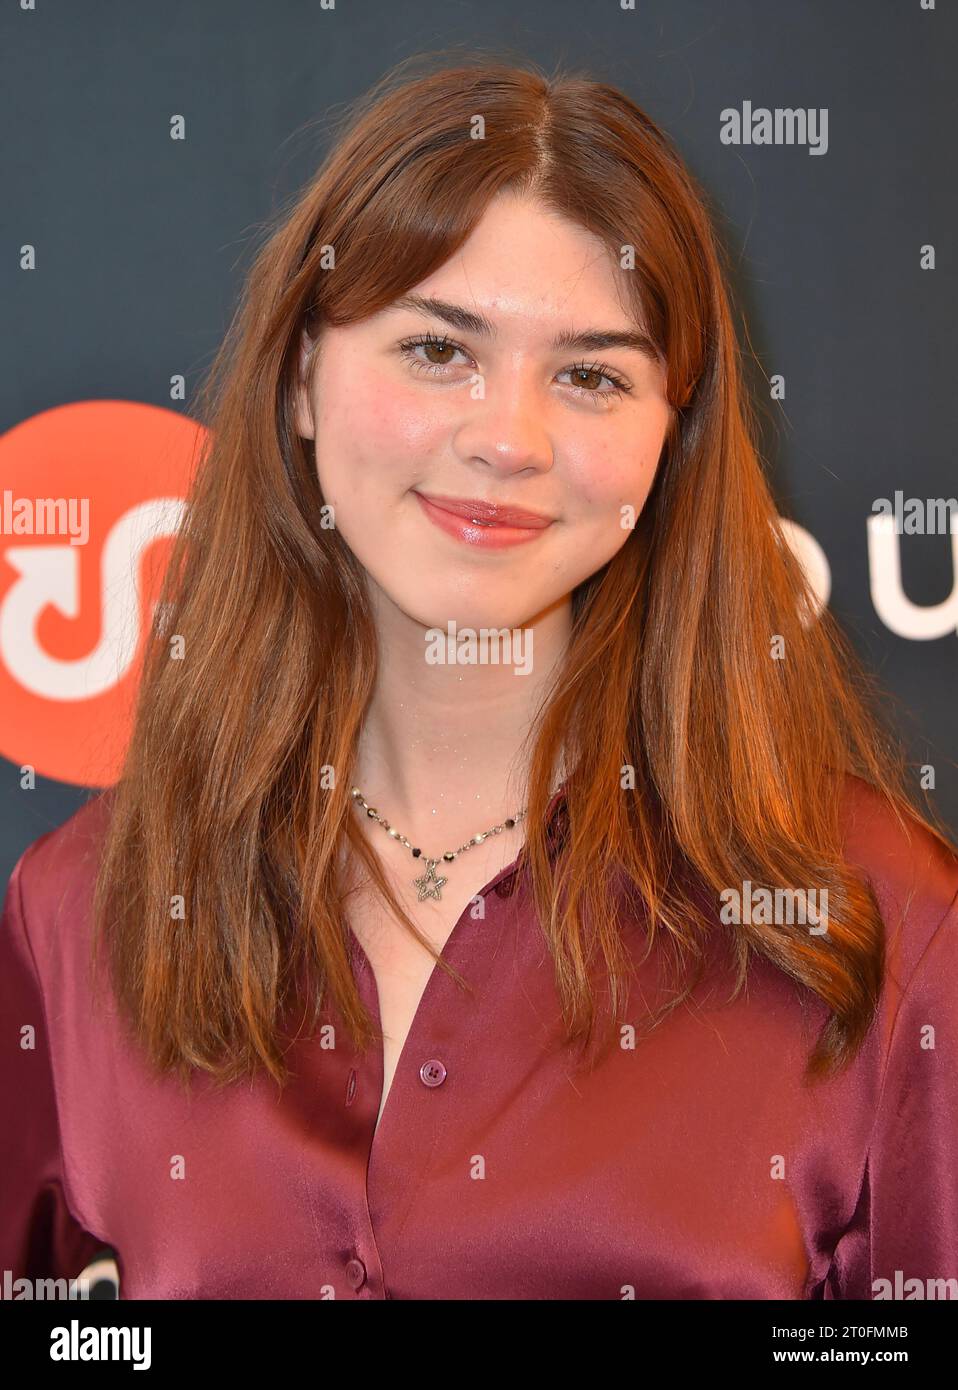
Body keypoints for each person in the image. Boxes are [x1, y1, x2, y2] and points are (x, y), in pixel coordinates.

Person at [2, 54, 957, 1302]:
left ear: (670, 437)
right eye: (437, 349)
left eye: (591, 375)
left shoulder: (867, 917)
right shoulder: (80, 906)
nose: (506, 436)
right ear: (301, 376)